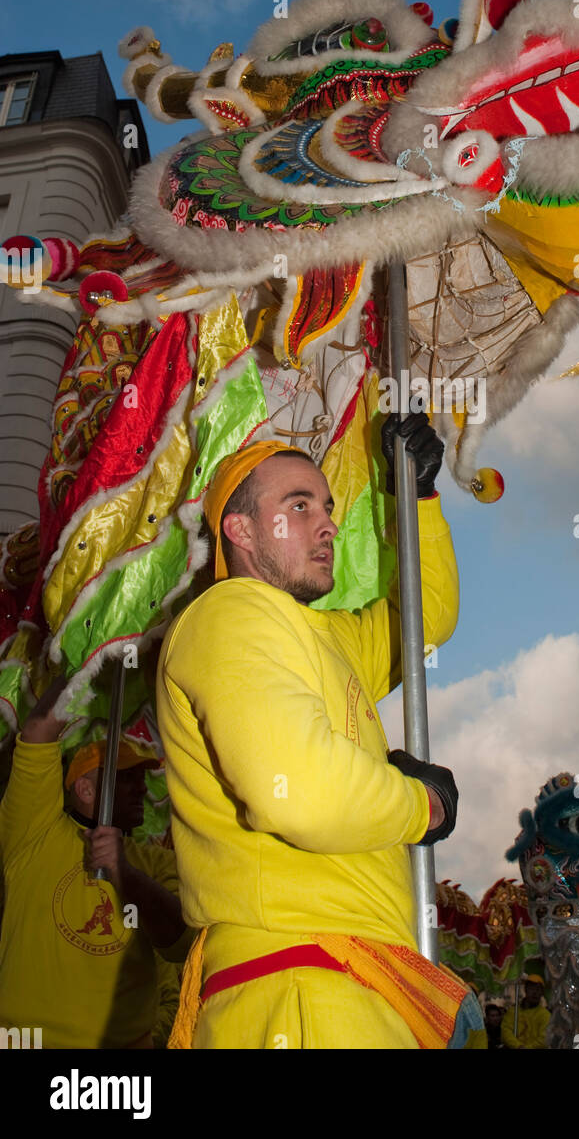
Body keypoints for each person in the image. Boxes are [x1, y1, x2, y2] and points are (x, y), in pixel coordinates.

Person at [156, 414, 462, 1049]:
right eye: (298, 506)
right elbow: (294, 789)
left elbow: (424, 618)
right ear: (237, 530)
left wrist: (419, 501)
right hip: (299, 986)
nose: (328, 523)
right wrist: (421, 805)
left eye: (326, 505)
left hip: (349, 979)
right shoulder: (231, 612)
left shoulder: (328, 636)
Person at [0, 675, 192, 1049]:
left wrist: (125, 875)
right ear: (86, 789)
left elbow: (178, 941)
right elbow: (39, 729)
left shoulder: (157, 862)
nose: (141, 788)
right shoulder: (33, 833)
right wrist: (91, 658)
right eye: (126, 778)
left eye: (141, 778)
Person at [502, 975, 551, 1049]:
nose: (535, 992)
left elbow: (544, 1039)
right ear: (525, 989)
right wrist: (517, 1046)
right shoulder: (513, 1011)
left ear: (542, 993)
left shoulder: (545, 1015)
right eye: (532, 988)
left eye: (538, 989)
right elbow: (505, 1032)